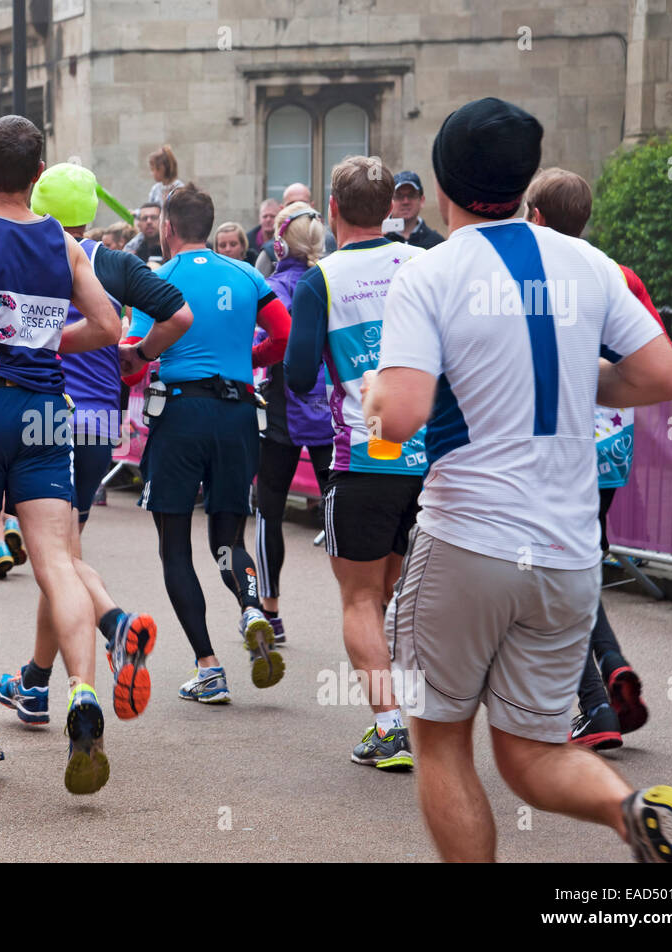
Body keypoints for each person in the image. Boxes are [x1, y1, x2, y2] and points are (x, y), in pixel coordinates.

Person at [367, 97, 672, 863]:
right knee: (531, 755)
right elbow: (659, 375)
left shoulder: (430, 273)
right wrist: (586, 381)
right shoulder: (587, 262)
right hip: (568, 552)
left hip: (467, 540)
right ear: (526, 181)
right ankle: (636, 811)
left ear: (445, 182)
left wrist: (375, 400)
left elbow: (402, 418)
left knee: (440, 740)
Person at [0, 115, 122, 794]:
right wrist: (42, 345)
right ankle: (82, 694)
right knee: (58, 563)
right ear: (39, 178)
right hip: (45, 414)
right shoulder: (65, 246)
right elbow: (109, 326)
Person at [0, 162, 192, 724]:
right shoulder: (117, 263)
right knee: (61, 556)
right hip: (102, 420)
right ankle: (34, 680)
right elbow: (179, 315)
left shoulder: (27, 255)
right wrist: (142, 354)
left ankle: (113, 621)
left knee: (55, 557)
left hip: (46, 415)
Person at [121, 183, 290, 704]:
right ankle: (252, 608)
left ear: (167, 228)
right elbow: (282, 336)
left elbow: (134, 359)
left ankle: (209, 666)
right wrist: (247, 363)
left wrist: (135, 364)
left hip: (180, 410)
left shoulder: (157, 278)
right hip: (238, 412)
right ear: (212, 226)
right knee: (227, 539)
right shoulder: (247, 273)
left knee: (175, 545)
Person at [285, 156, 428, 771]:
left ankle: (390, 725)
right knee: (395, 592)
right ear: (394, 205)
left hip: (366, 451)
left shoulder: (322, 278)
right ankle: (413, 714)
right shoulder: (425, 264)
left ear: (334, 210)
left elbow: (294, 374)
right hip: (429, 454)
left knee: (361, 598)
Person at [522, 167, 661, 749]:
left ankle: (594, 701)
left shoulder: (538, 276)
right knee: (579, 560)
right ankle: (610, 665)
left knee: (553, 571)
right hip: (612, 441)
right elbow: (654, 352)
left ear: (537, 218)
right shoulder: (617, 274)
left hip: (562, 438)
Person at [255, 202, 334, 645]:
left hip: (284, 403)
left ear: (281, 243)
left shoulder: (272, 287)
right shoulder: (334, 279)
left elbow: (263, 342)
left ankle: (272, 611)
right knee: (339, 507)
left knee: (270, 508)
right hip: (330, 406)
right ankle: (365, 603)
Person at [256, 182, 337, 276]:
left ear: (312, 206)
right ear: (282, 208)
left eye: (302, 203)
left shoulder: (331, 243)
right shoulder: (270, 251)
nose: (297, 209)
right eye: (291, 204)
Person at [383, 171, 445, 249]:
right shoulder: (379, 241)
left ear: (422, 200)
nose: (406, 201)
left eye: (411, 195)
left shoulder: (436, 243)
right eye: (399, 196)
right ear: (389, 201)